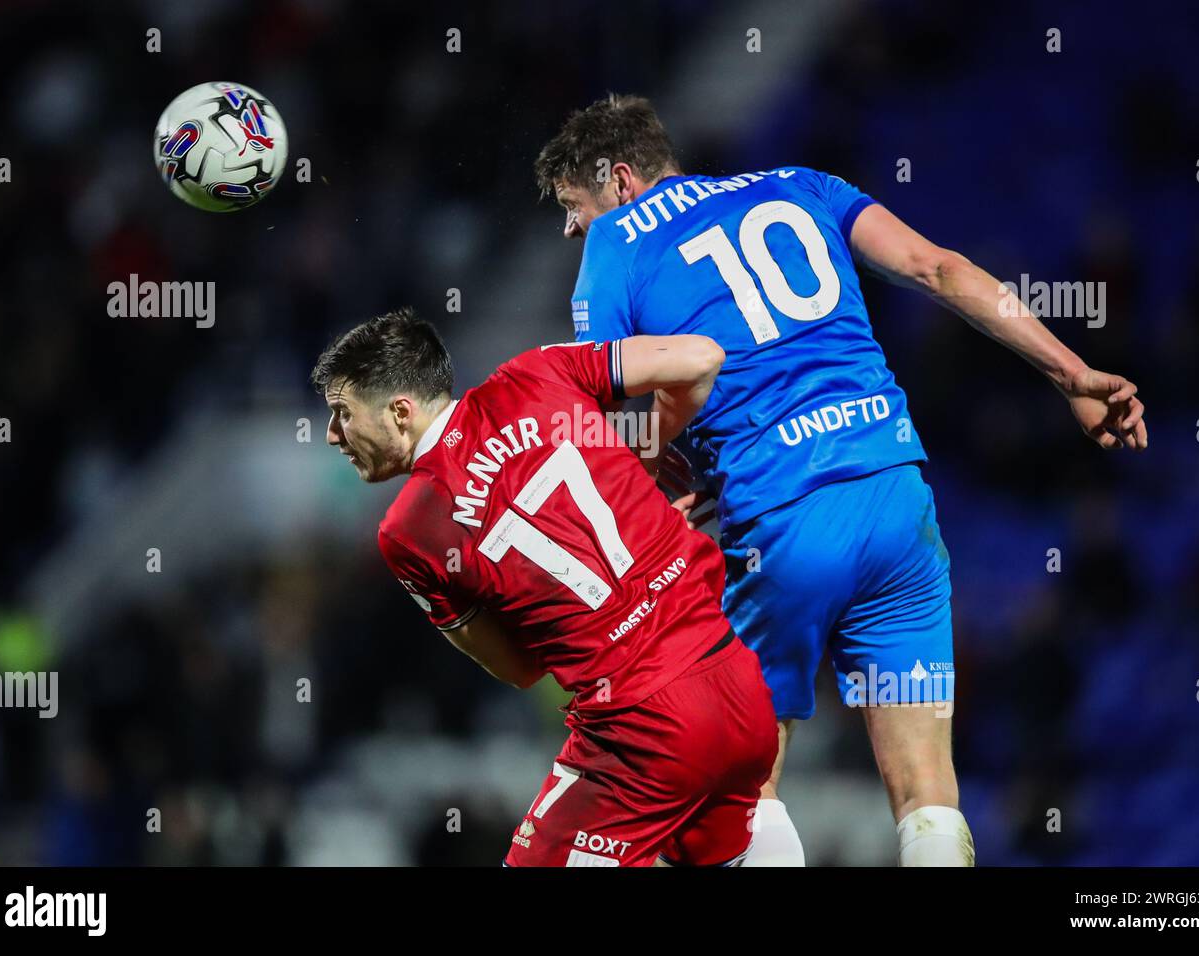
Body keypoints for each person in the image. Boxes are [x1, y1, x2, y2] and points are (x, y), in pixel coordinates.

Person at [536, 94, 1147, 866]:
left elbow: (611, 421)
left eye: (571, 205)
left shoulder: (616, 245)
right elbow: (940, 267)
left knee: (742, 790)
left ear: (620, 181)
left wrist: (659, 474)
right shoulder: (801, 185)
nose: (568, 228)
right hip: (896, 495)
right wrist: (1073, 373)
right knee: (928, 791)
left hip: (777, 521)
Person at [311, 308, 778, 866]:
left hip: (643, 730)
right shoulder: (536, 374)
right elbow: (701, 359)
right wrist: (643, 466)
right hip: (736, 686)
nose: (333, 434)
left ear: (401, 412)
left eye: (342, 414)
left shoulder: (408, 531)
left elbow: (519, 669)